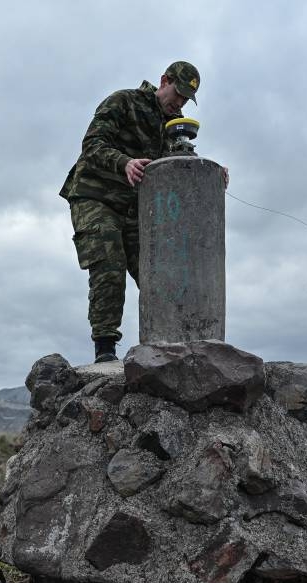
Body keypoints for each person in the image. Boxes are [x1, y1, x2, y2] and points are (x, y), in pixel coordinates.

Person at [61, 60, 225, 364]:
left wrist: (211, 174)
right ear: (164, 81)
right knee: (109, 260)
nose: (179, 103)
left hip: (135, 207)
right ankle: (106, 349)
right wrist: (124, 162)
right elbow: (92, 145)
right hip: (95, 195)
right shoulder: (123, 102)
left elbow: (179, 163)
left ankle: (171, 343)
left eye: (185, 100)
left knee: (157, 270)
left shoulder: (173, 127)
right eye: (176, 94)